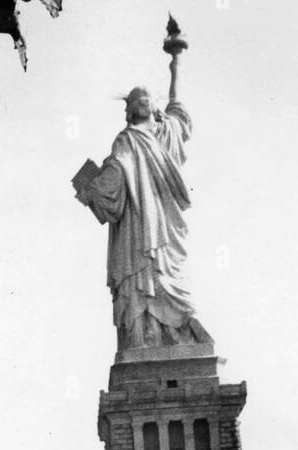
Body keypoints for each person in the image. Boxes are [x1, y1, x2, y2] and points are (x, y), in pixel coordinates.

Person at [74, 53, 209, 350]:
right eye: (140, 100)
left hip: (152, 228)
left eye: (142, 100)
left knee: (155, 277)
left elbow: (178, 111)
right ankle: (159, 338)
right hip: (149, 227)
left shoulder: (146, 138)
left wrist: (175, 63)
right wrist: (176, 65)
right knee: (152, 278)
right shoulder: (145, 137)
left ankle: (164, 338)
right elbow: (177, 112)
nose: (141, 103)